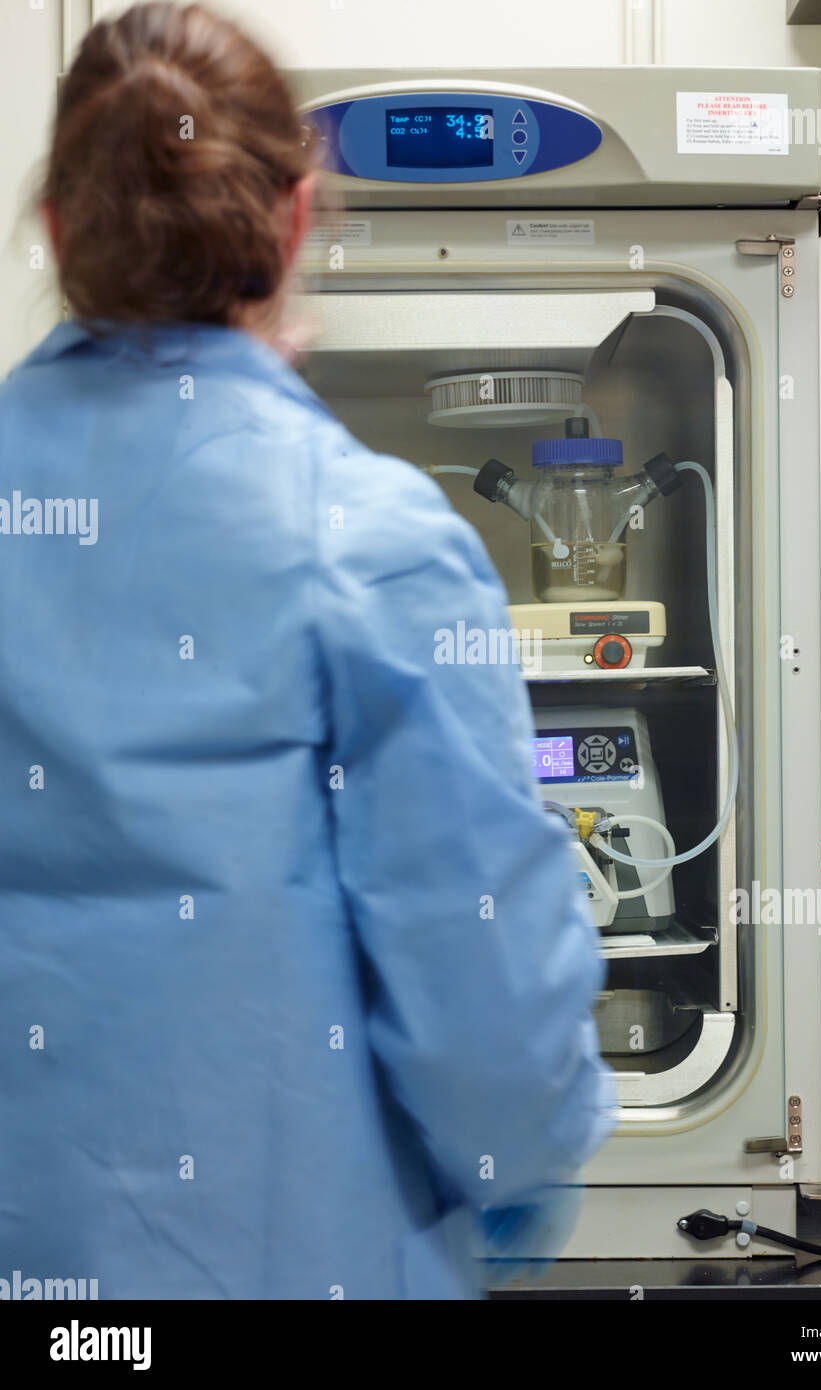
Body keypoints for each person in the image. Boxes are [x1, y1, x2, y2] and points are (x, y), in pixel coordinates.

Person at [0, 3, 614, 1299]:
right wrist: (512, 1195)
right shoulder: (376, 546)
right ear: (296, 217)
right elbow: (493, 1022)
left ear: (58, 230)